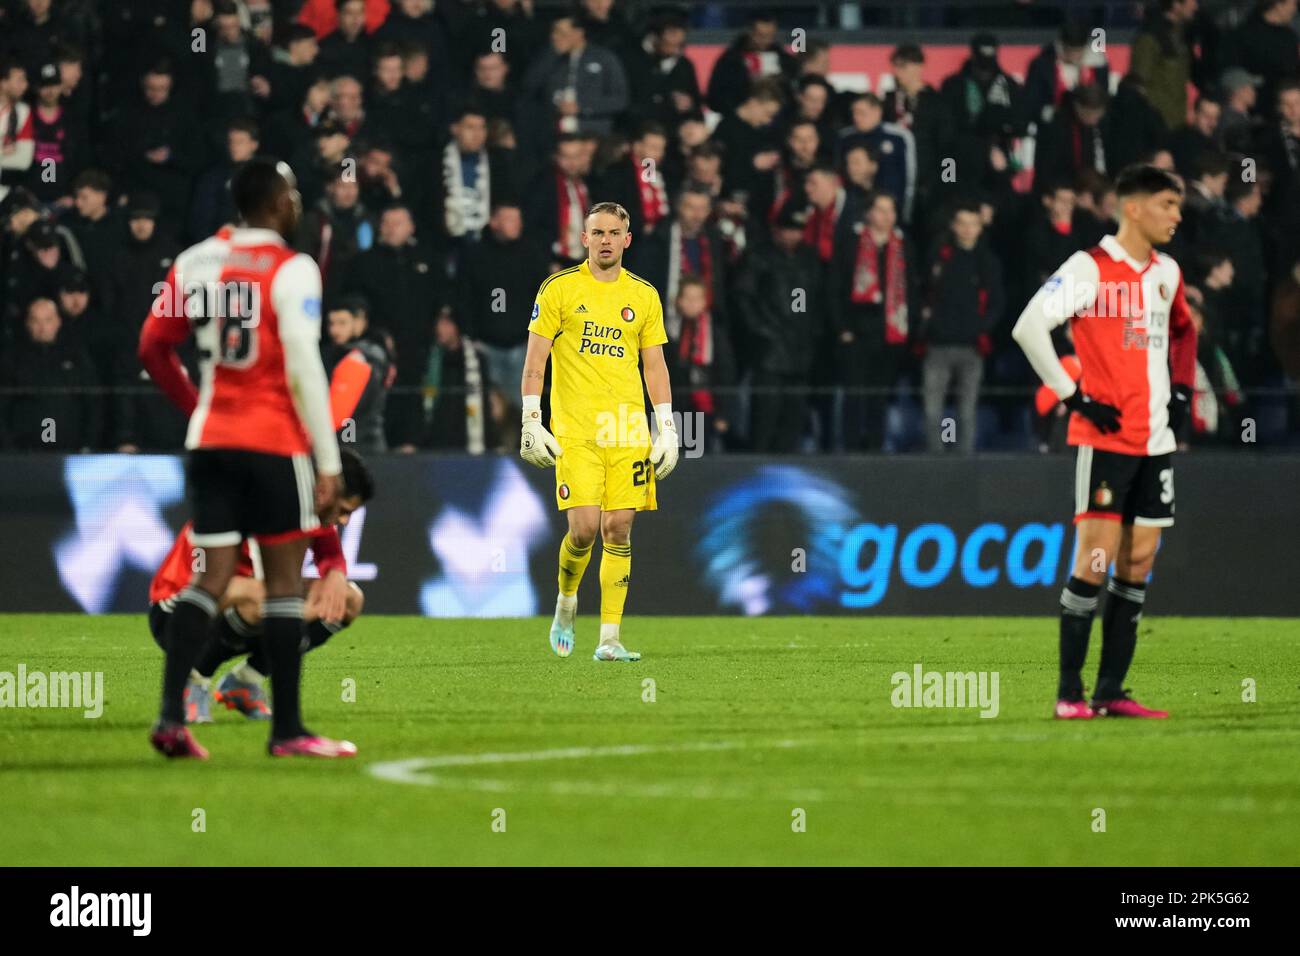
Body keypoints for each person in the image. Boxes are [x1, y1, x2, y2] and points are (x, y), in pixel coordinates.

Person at [137, 158, 350, 759]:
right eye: (295, 195)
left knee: (210, 578)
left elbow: (153, 345)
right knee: (283, 586)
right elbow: (306, 367)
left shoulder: (195, 260)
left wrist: (196, 401)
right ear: (280, 203)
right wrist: (327, 461)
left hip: (209, 441)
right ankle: (287, 732)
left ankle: (169, 719)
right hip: (274, 442)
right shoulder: (294, 267)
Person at [1012, 164, 1198, 720]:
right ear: (1134, 207)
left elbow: (1186, 331)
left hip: (1155, 440)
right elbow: (1028, 327)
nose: (1177, 216)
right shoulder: (1088, 268)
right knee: (1095, 560)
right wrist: (1073, 397)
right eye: (1167, 204)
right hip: (1106, 437)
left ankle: (1111, 691)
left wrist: (1183, 392)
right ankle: (1069, 693)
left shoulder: (1167, 272)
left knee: (1138, 561)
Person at [518, 201, 677, 663]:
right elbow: (535, 362)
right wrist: (531, 418)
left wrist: (666, 426)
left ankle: (609, 638)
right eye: (597, 232)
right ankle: (567, 601)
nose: (606, 239)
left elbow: (655, 365)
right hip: (576, 428)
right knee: (585, 529)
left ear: (627, 239)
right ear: (584, 238)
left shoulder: (644, 295)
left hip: (626, 428)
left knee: (619, 527)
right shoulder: (559, 290)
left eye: (614, 232)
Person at [147, 447, 375, 723]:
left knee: (349, 599)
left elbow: (329, 553)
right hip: (176, 610)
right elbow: (271, 592)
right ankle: (194, 678)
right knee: (262, 596)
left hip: (235, 604)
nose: (343, 519)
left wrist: (336, 575)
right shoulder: (265, 499)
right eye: (343, 510)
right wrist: (305, 613)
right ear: (324, 490)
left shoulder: (304, 503)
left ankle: (245, 681)